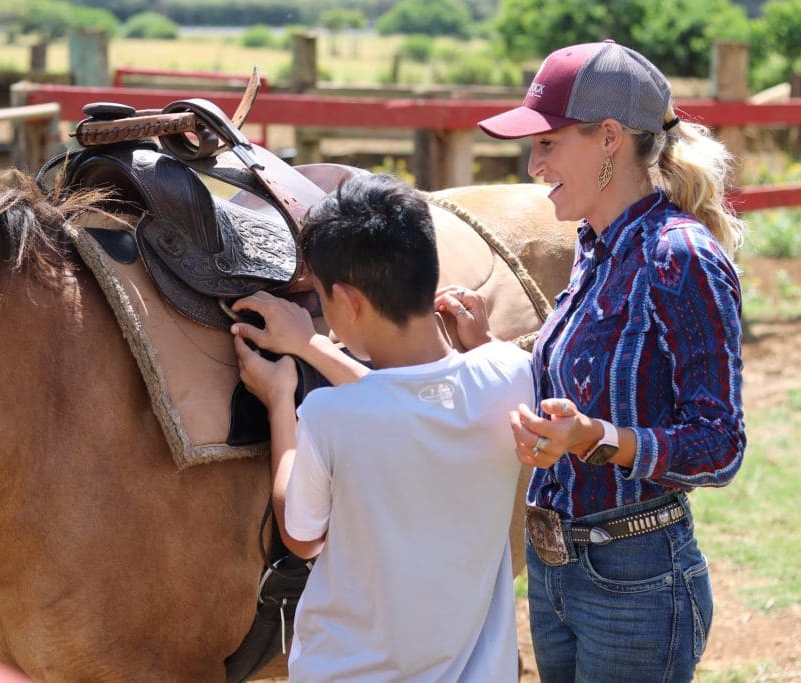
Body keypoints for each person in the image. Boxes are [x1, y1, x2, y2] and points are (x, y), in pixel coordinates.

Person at [470, 40, 746, 682]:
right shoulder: (595, 249)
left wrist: (595, 439)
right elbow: (577, 392)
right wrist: (480, 342)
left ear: (610, 139)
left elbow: (720, 445)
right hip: (558, 567)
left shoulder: (681, 258)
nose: (534, 164)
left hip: (637, 581)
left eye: (547, 142)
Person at [231, 172, 534, 682]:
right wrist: (311, 345)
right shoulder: (510, 375)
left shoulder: (330, 417)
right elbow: (406, 402)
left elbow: (302, 537)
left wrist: (283, 401)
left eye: (324, 302)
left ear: (349, 301)